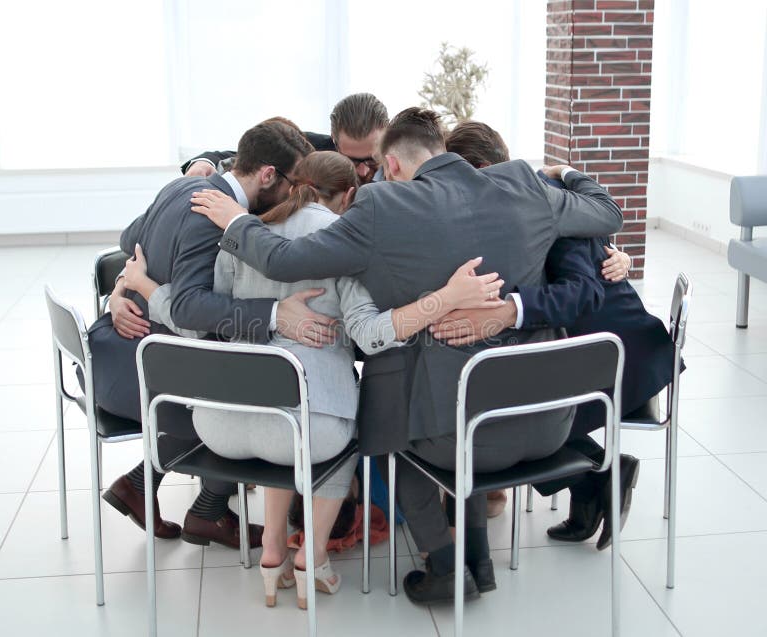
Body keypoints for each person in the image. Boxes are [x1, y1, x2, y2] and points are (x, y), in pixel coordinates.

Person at [188, 107, 624, 603]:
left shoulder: (380, 207)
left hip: (457, 437)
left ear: (390, 165)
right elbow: (608, 213)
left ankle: (444, 564)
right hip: (547, 421)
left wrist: (237, 220)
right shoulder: (524, 183)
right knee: (458, 389)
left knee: (386, 420)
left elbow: (281, 260)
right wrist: (564, 172)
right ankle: (477, 563)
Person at [122, 150, 507, 608]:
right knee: (339, 424)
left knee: (277, 405)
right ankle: (312, 557)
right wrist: (442, 300)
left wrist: (145, 289)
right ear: (349, 197)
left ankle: (271, 554)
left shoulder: (241, 235)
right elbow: (370, 334)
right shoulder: (344, 241)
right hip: (307, 431)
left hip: (220, 425)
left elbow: (194, 321)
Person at [436, 119, 678, 550]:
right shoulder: (519, 200)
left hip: (622, 361)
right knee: (509, 391)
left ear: (482, 168)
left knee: (509, 410)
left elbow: (580, 292)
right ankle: (587, 488)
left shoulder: (543, 205)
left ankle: (598, 473)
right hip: (588, 347)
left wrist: (508, 309)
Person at [92, 120, 328, 550]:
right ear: (268, 175)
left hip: (117, 356)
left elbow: (130, 238)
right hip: (147, 374)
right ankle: (207, 511)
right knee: (250, 404)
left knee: (232, 376)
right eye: (294, 183)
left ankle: (149, 489)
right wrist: (276, 314)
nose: (296, 195)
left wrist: (132, 282)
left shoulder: (183, 186)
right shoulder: (211, 216)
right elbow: (189, 309)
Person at [183, 93, 388, 185]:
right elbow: (249, 156)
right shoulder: (311, 149)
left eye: (372, 160)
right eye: (352, 160)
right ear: (334, 140)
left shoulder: (409, 166)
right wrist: (203, 162)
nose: (363, 171)